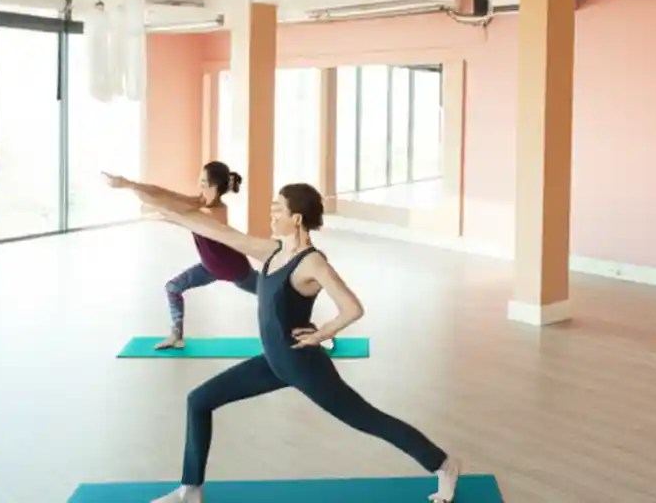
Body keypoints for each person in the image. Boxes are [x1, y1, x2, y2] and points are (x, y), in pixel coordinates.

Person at [104, 176, 462, 503]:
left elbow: (352, 308)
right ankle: (190, 490)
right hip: (274, 361)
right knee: (199, 400)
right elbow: (216, 232)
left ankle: (444, 465)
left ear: (298, 220)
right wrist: (164, 211)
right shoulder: (272, 251)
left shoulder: (312, 263)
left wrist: (321, 334)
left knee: (368, 419)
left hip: (303, 365)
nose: (271, 215)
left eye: (278, 209)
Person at [106, 162, 257, 350]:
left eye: (203, 183)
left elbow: (168, 204)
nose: (199, 187)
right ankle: (176, 336)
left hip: (234, 269)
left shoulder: (213, 212)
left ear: (215, 187)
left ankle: (289, 329)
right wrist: (128, 184)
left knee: (270, 291)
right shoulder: (200, 203)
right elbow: (168, 195)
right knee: (173, 288)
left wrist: (138, 193)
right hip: (210, 267)